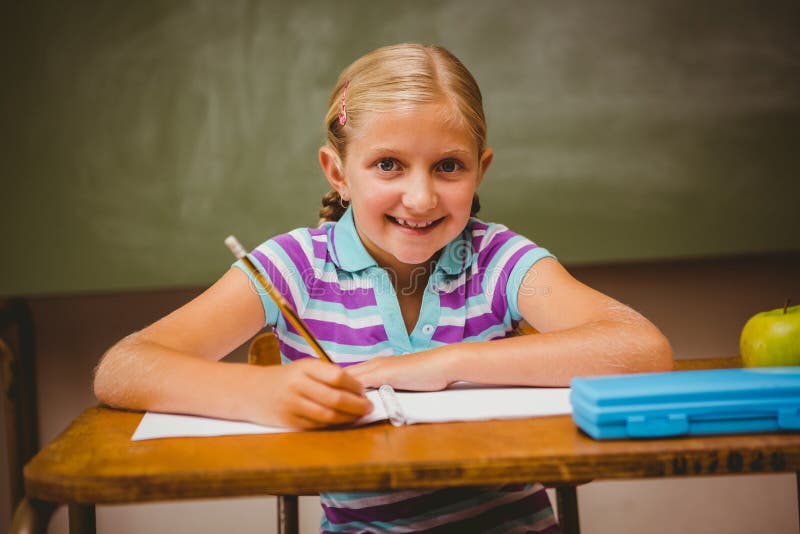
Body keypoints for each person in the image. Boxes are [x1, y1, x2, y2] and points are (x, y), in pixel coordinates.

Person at [94, 43, 672, 533]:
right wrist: (261, 394)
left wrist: (443, 364)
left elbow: (640, 348)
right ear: (338, 172)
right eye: (389, 165)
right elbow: (125, 366)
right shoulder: (294, 268)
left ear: (481, 169)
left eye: (449, 166)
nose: (420, 198)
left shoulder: (495, 260)